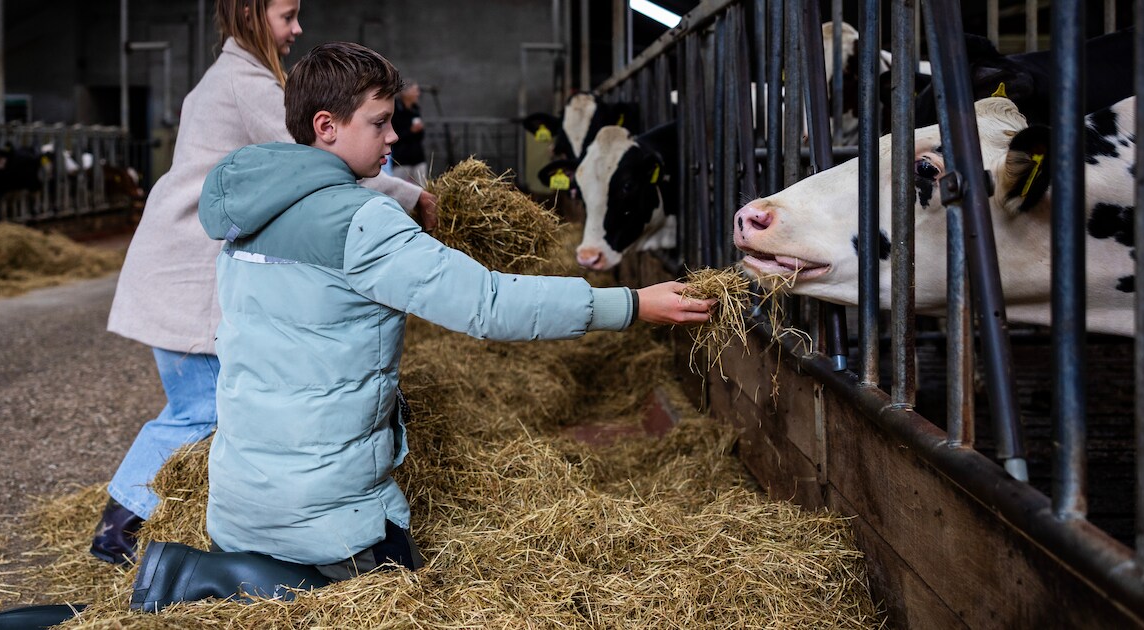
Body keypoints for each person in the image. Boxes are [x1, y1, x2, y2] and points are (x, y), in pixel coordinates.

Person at [127, 41, 714, 612]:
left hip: (237, 500)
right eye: (379, 122)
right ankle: (214, 576)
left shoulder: (247, 215)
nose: (394, 136)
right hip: (321, 512)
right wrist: (632, 304)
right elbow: (489, 304)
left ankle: (236, 562)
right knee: (398, 590)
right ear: (326, 126)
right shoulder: (361, 221)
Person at [94, 0, 437, 566]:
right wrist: (410, 196)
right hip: (187, 271)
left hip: (183, 263)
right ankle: (120, 526)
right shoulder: (245, 84)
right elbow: (318, 163)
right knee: (205, 409)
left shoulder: (237, 77)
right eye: (287, 15)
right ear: (252, 13)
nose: (297, 28)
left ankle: (138, 520)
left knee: (208, 406)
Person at [389, 81, 428, 184]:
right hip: (401, 159)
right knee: (398, 186)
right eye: (415, 91)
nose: (418, 94)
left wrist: (419, 130)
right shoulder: (395, 110)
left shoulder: (415, 109)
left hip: (418, 157)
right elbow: (394, 135)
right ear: (406, 93)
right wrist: (410, 131)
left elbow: (420, 136)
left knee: (422, 186)